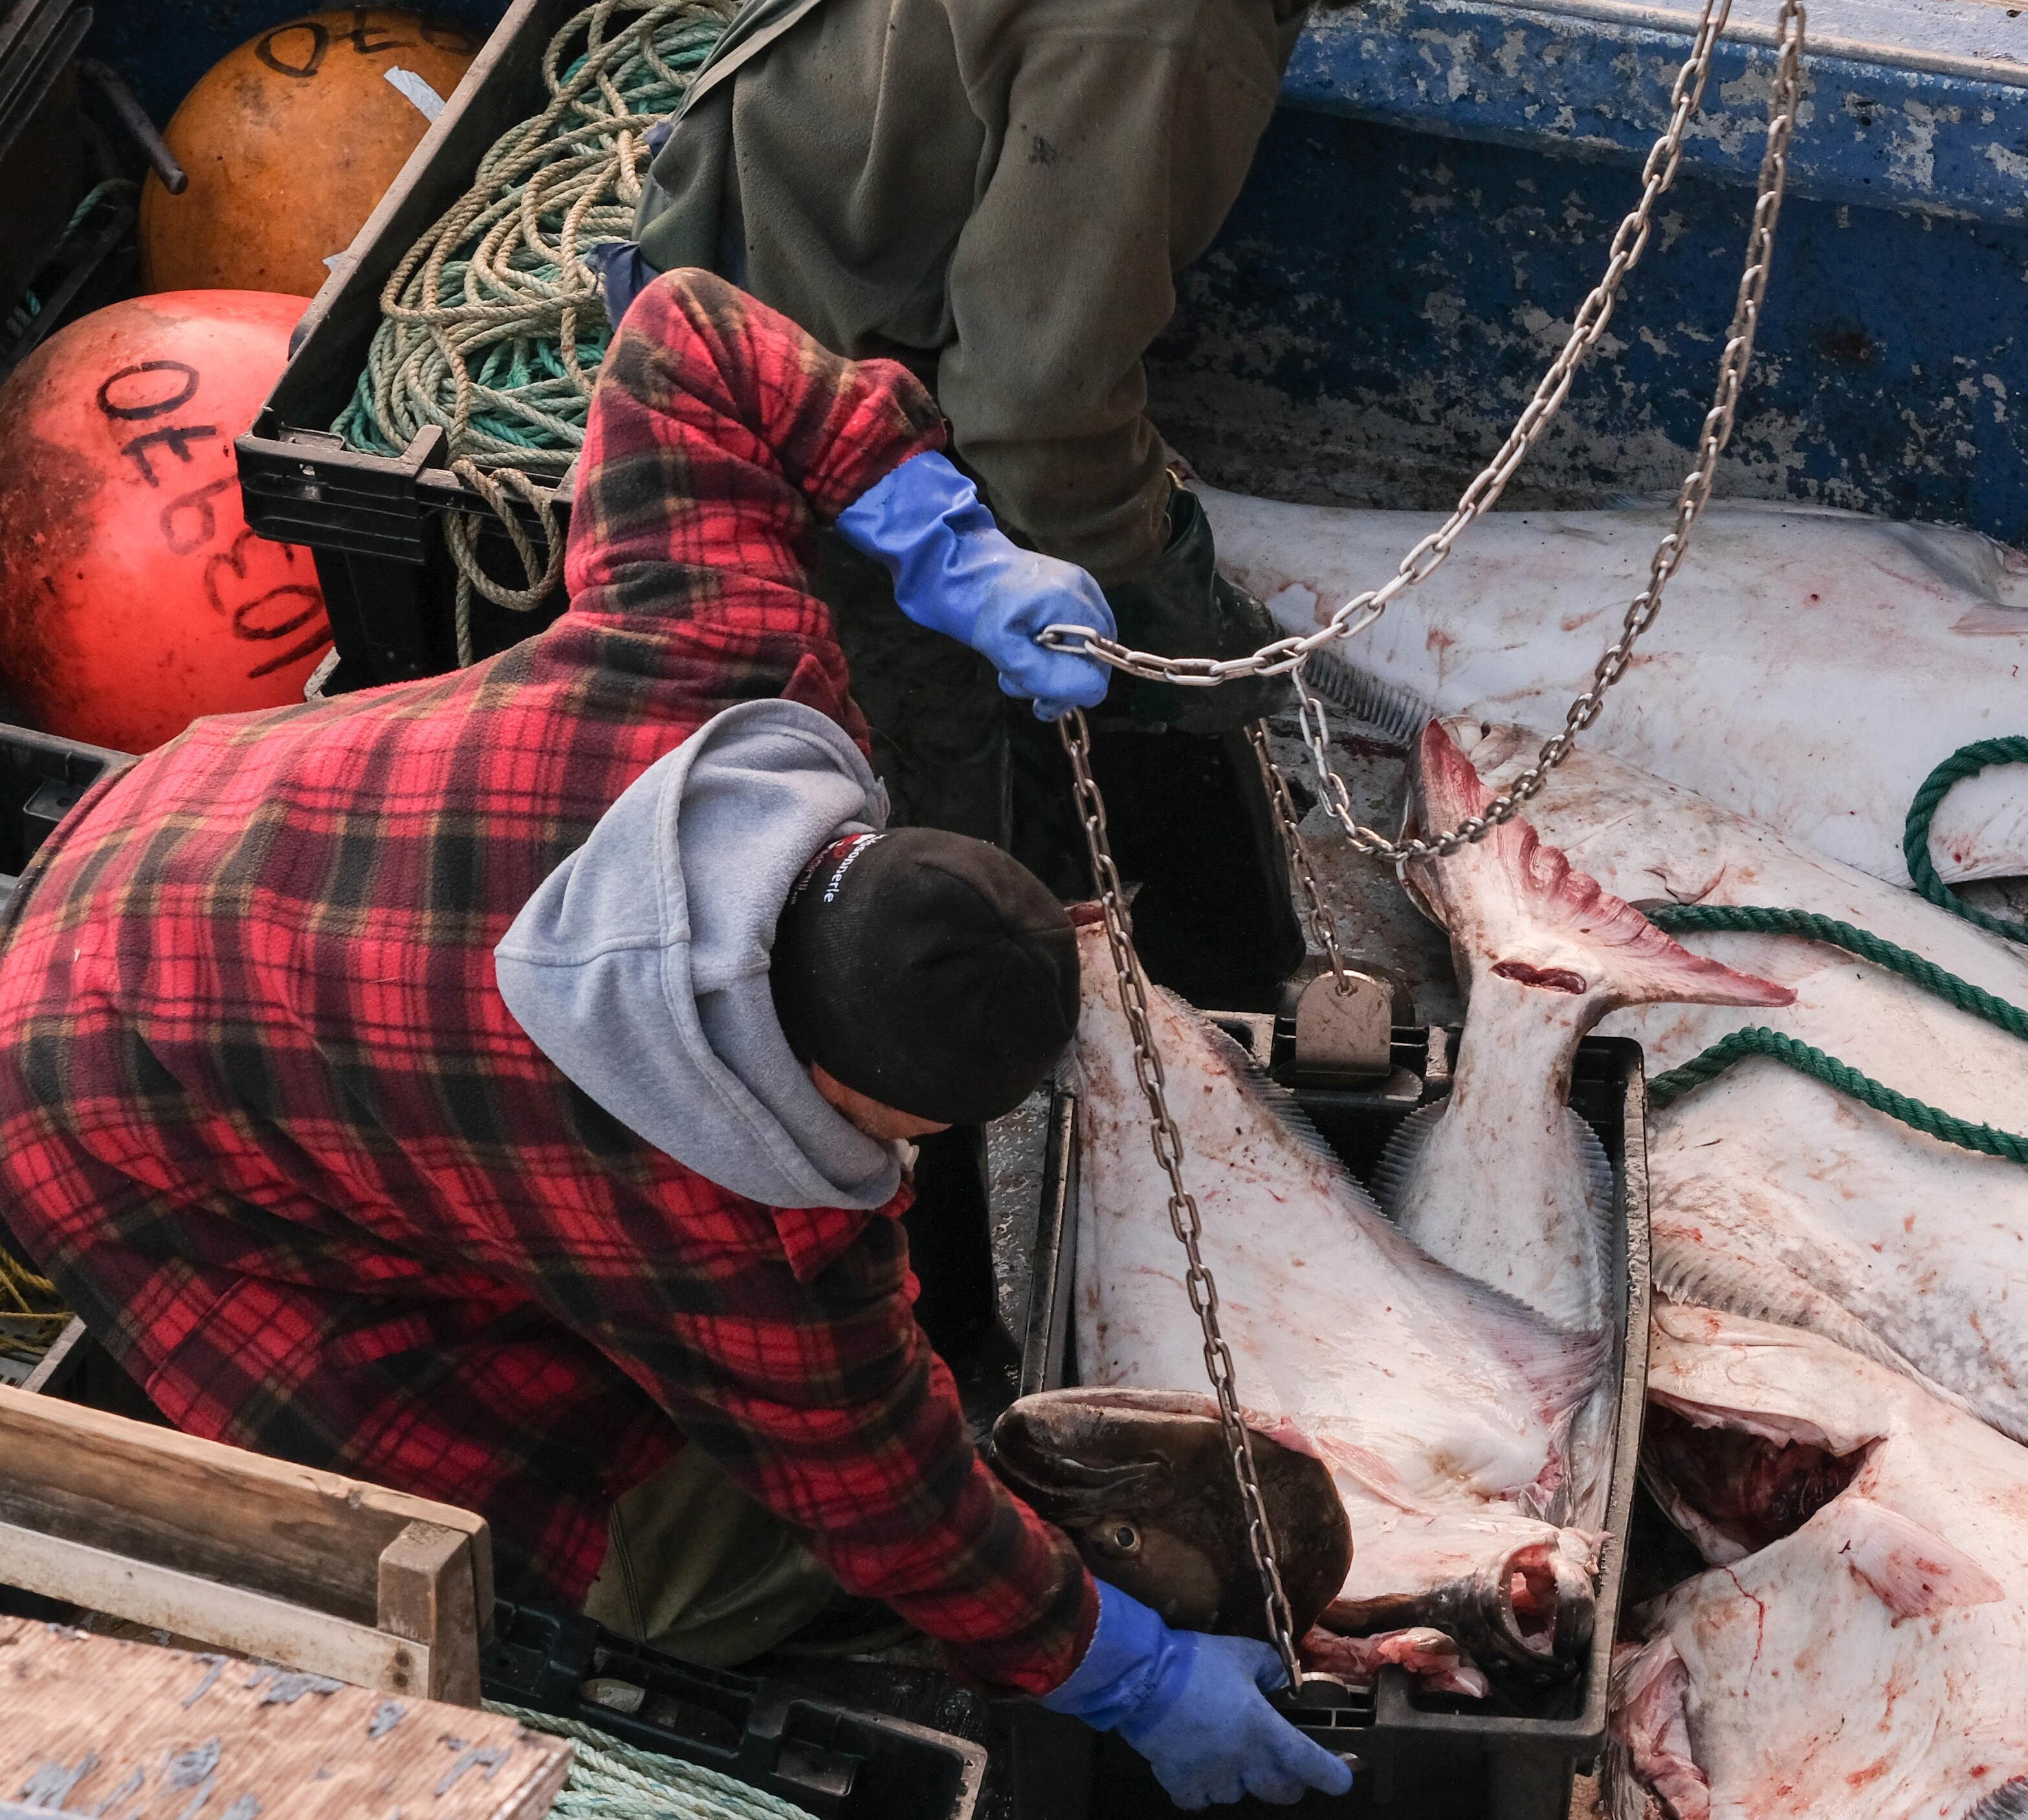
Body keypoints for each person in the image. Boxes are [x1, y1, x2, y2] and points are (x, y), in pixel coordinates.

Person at [0, 270, 1349, 1808]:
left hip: (179, 824)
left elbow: (689, 339)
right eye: (908, 1133)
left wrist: (941, 534)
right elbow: (889, 1511)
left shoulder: (720, 656)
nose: (912, 1161)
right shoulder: (732, 1244)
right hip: (80, 1109)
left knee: (579, 1309)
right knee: (653, 1560)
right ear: (846, 1092)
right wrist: (1122, 1669)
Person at [628, 0, 1323, 1009]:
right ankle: (937, 1085)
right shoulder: (1173, 26)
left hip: (792, 203)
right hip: (783, 358)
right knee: (929, 862)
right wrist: (1155, 590)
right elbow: (1035, 418)